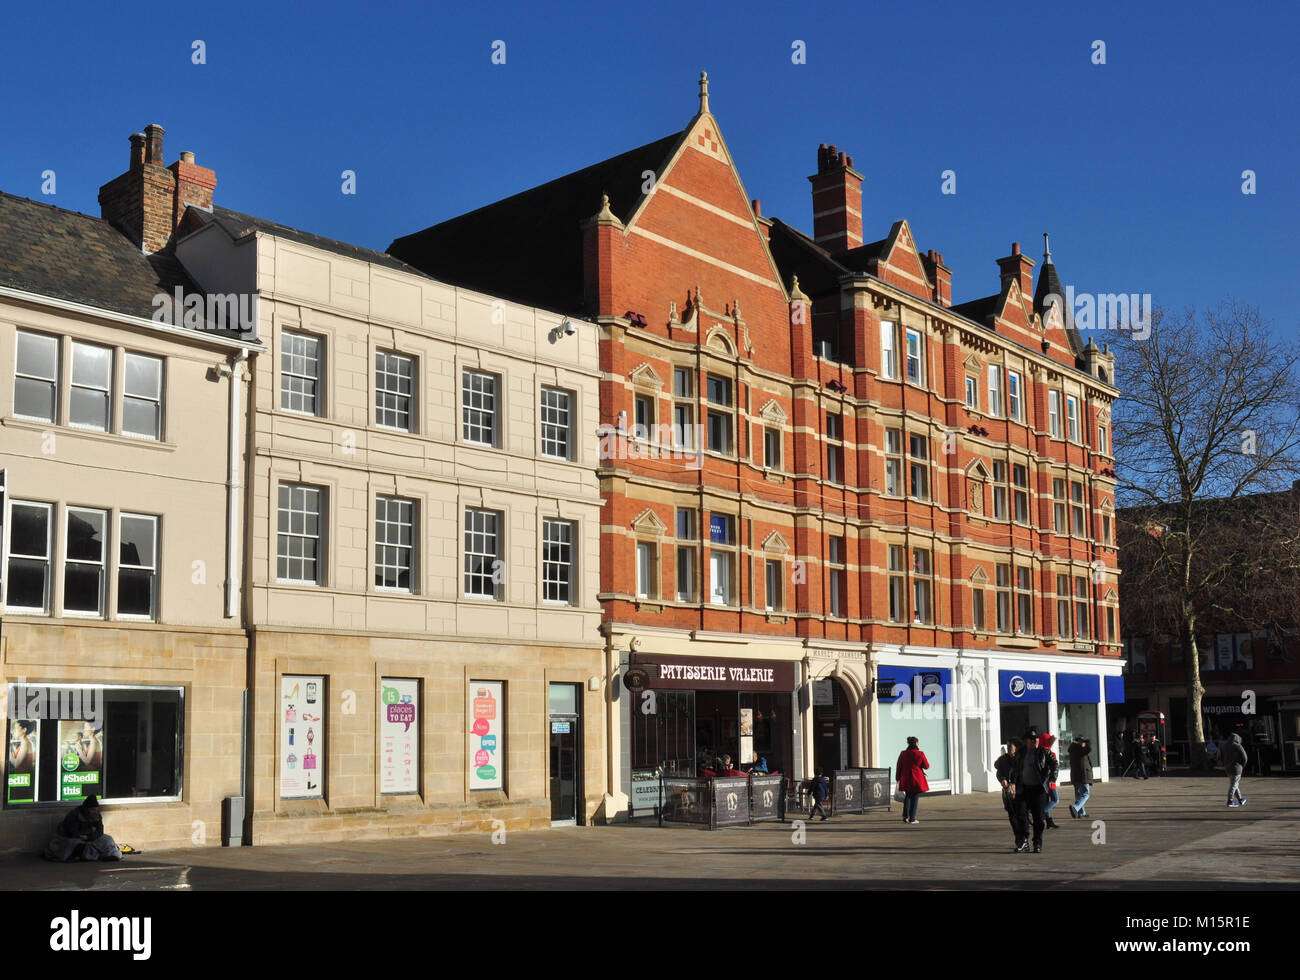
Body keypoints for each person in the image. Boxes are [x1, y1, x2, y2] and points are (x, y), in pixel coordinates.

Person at [1011, 726, 1058, 853]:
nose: (1035, 741)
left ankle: (1037, 843)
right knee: (1021, 816)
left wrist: (1052, 777)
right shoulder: (1021, 753)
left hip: (1039, 790)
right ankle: (1024, 842)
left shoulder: (1044, 752)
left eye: (1036, 738)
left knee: (1038, 819)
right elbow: (1015, 768)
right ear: (1026, 741)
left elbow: (1054, 764)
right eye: (1032, 739)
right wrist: (1012, 782)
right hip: (1023, 789)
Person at [43, 795, 122, 862]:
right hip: (70, 838)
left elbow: (100, 831)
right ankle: (95, 856)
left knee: (108, 839)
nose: (95, 812)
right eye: (93, 810)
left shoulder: (97, 815)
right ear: (86, 809)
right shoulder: (73, 815)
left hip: (88, 837)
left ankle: (113, 855)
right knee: (78, 845)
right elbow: (74, 832)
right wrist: (90, 831)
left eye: (97, 809)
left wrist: (90, 836)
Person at [895, 736, 930, 824]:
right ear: (916, 743)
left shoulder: (903, 753)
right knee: (915, 798)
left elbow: (899, 766)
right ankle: (912, 818)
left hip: (906, 778)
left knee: (908, 796)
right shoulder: (920, 753)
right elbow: (926, 766)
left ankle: (905, 816)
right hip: (917, 778)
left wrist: (897, 777)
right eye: (918, 742)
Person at [994, 739, 1023, 845]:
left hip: (1020, 791)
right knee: (1012, 815)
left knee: (1021, 815)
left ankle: (1023, 838)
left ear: (1016, 747)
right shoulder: (1003, 759)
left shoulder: (1021, 758)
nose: (1009, 748)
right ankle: (1018, 838)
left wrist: (1015, 783)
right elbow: (998, 772)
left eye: (1011, 746)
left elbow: (1023, 773)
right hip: (1008, 792)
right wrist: (1002, 779)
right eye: (1008, 746)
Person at [1067, 734, 1094, 819]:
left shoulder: (1072, 750)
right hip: (1083, 776)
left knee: (1078, 794)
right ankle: (1075, 807)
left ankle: (1082, 813)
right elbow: (1089, 749)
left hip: (1075, 776)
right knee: (1086, 794)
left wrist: (1076, 742)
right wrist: (1087, 741)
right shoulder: (1081, 750)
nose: (1084, 743)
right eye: (1083, 742)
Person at [1040, 734, 1061, 828]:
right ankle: (1037, 813)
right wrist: (1053, 778)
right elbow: (1055, 768)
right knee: (1055, 800)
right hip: (1050, 781)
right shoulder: (1051, 753)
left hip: (1043, 781)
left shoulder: (1038, 753)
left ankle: (1049, 821)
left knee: (1047, 801)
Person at [1224, 733, 1248, 808]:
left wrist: (1225, 764)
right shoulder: (1238, 746)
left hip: (1227, 768)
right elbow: (1245, 757)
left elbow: (1220, 756)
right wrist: (1242, 766)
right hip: (1236, 768)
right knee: (1234, 784)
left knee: (1234, 783)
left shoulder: (1224, 746)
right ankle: (1230, 801)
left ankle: (1240, 799)